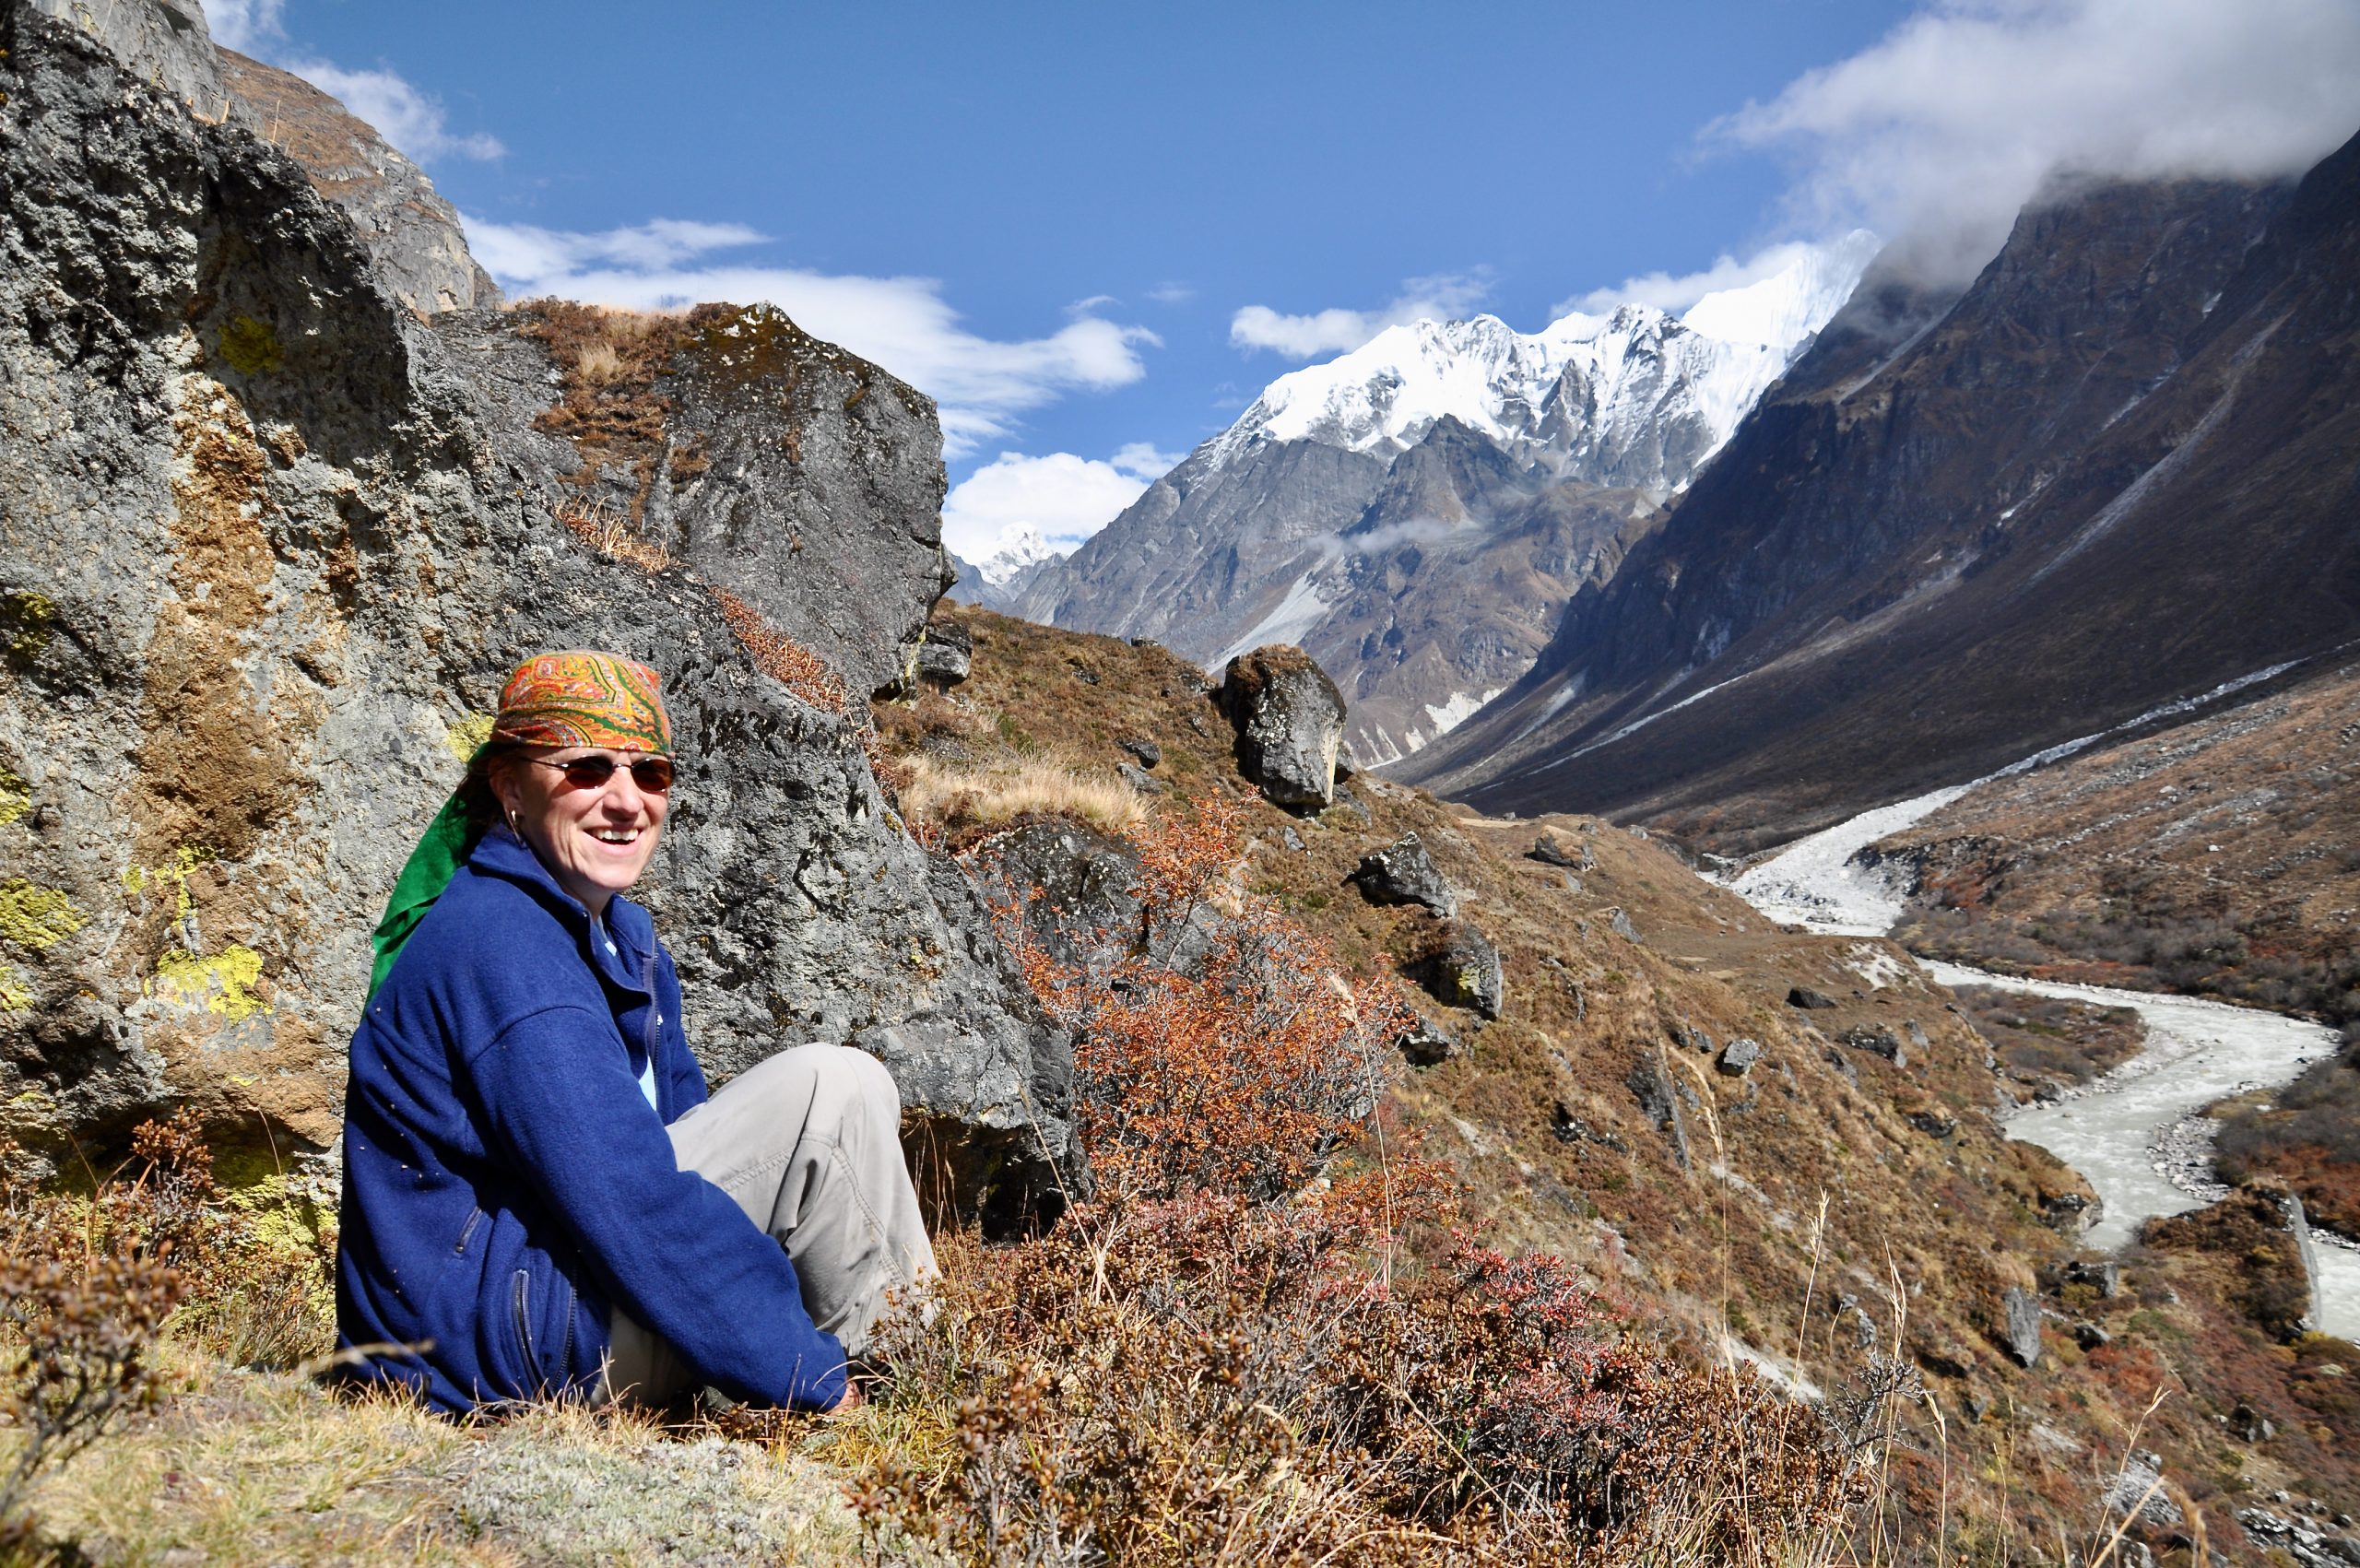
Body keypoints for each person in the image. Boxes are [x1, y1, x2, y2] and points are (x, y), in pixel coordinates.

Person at [335, 649, 937, 1414]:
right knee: (834, 1087)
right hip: (494, 1353)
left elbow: (681, 1136)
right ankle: (905, 1390)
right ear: (509, 785)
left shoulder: (623, 938)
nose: (626, 800)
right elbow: (632, 1198)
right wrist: (809, 1378)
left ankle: (903, 1382)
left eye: (650, 773)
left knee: (846, 1090)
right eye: (586, 767)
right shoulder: (505, 946)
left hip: (528, 1316)